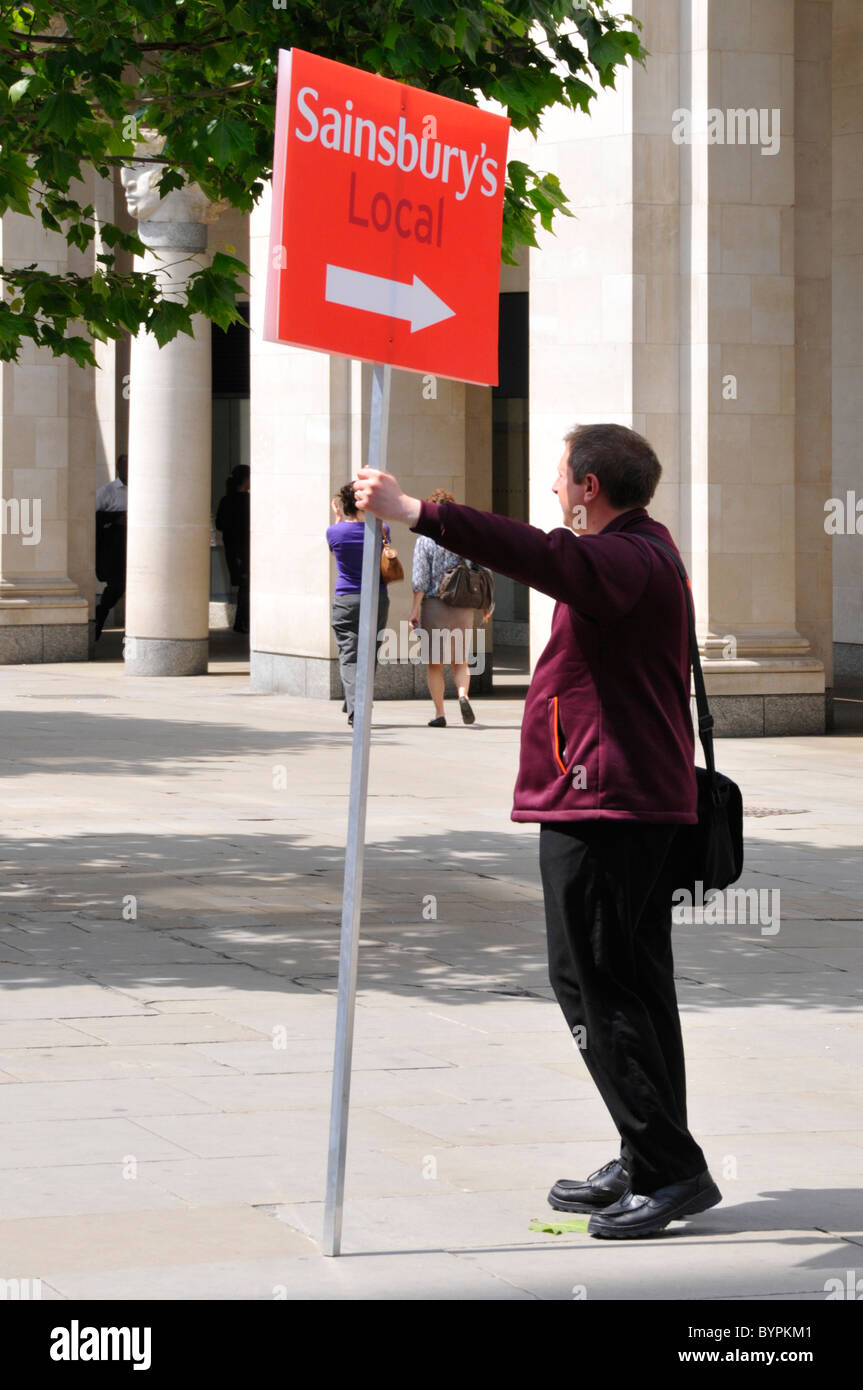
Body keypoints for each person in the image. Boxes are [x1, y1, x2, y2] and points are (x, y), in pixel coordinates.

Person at [354, 423, 722, 1240]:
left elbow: (545, 556)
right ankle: (648, 1149)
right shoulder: (647, 549)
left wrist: (418, 510)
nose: (553, 488)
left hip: (605, 804)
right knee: (632, 984)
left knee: (595, 984)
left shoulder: (620, 558)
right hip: (627, 800)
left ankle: (669, 1169)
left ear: (590, 485)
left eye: (559, 475)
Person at [410, 488, 491, 728]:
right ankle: (463, 695)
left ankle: (439, 714)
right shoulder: (464, 538)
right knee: (460, 661)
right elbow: (481, 570)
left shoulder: (425, 540)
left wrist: (415, 610)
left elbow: (420, 579)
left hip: (435, 605)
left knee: (435, 664)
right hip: (463, 606)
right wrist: (487, 604)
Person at [326, 482, 391, 728]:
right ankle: (355, 703)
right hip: (377, 597)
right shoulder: (382, 529)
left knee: (350, 656)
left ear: (343, 505)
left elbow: (336, 548)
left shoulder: (334, 532)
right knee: (369, 654)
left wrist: (337, 518)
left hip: (347, 599)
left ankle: (356, 708)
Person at [94, 453, 128, 640]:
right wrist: (116, 519)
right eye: (125, 466)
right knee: (117, 584)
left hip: (136, 544)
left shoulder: (144, 488)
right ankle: (101, 615)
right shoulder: (107, 491)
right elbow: (93, 517)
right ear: (118, 468)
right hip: (115, 547)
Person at [215, 464, 250, 635]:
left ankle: (242, 621)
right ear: (245, 480)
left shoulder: (226, 500)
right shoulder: (247, 501)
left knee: (244, 586)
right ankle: (242, 622)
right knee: (246, 586)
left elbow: (220, 524)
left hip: (233, 550)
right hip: (244, 550)